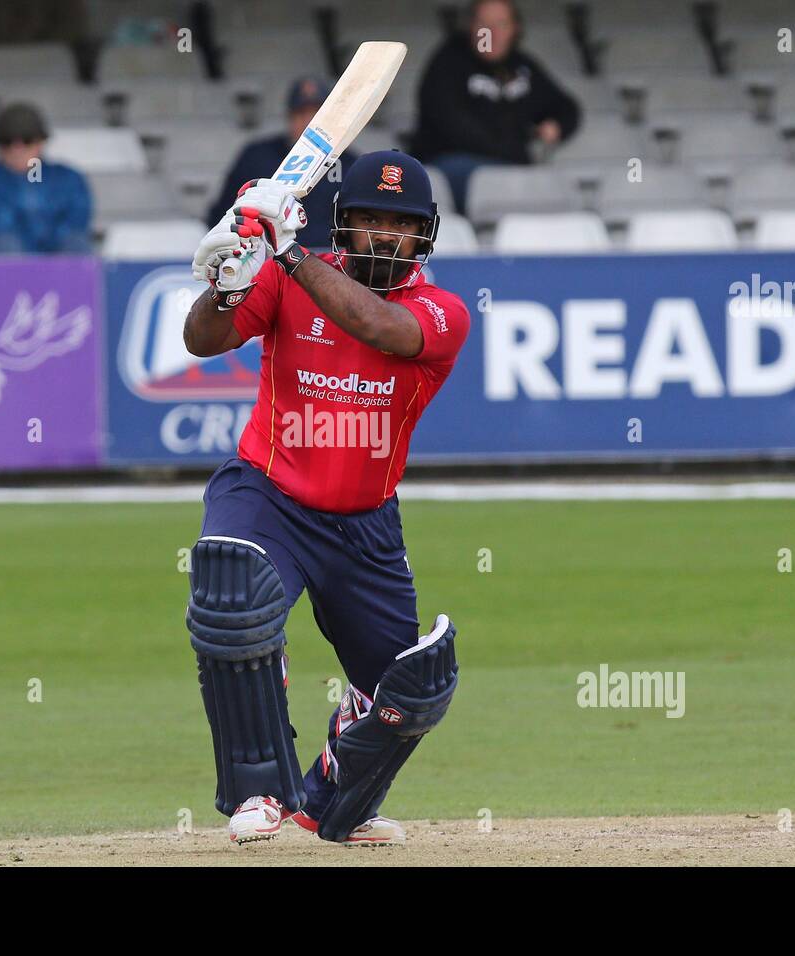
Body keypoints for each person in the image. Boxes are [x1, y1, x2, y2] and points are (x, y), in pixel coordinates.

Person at [181, 150, 468, 847]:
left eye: (399, 225)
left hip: (366, 524)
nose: (383, 237)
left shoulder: (442, 312)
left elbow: (378, 328)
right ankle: (257, 792)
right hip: (268, 495)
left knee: (414, 687)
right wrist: (227, 284)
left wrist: (288, 254)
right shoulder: (284, 281)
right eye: (369, 220)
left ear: (425, 235)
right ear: (343, 225)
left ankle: (334, 807)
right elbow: (200, 340)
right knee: (235, 594)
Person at [412, 0, 582, 214]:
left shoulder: (521, 66)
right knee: (473, 175)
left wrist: (556, 125)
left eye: (501, 24)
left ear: (515, 29)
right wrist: (516, 157)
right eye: (484, 23)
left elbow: (567, 107)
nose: (491, 32)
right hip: (454, 163)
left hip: (509, 167)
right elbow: (454, 126)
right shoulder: (448, 61)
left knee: (552, 189)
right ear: (471, 27)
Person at [205, 76, 356, 249]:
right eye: (301, 113)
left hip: (330, 260)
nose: (310, 122)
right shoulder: (256, 156)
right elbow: (224, 214)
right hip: (266, 260)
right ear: (289, 117)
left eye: (317, 115)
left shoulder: (352, 165)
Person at [0, 103, 93, 254]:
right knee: (5, 245)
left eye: (26, 140)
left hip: (56, 262)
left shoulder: (67, 178)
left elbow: (75, 224)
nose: (17, 149)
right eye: (7, 141)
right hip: (6, 267)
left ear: (40, 142)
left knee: (75, 243)